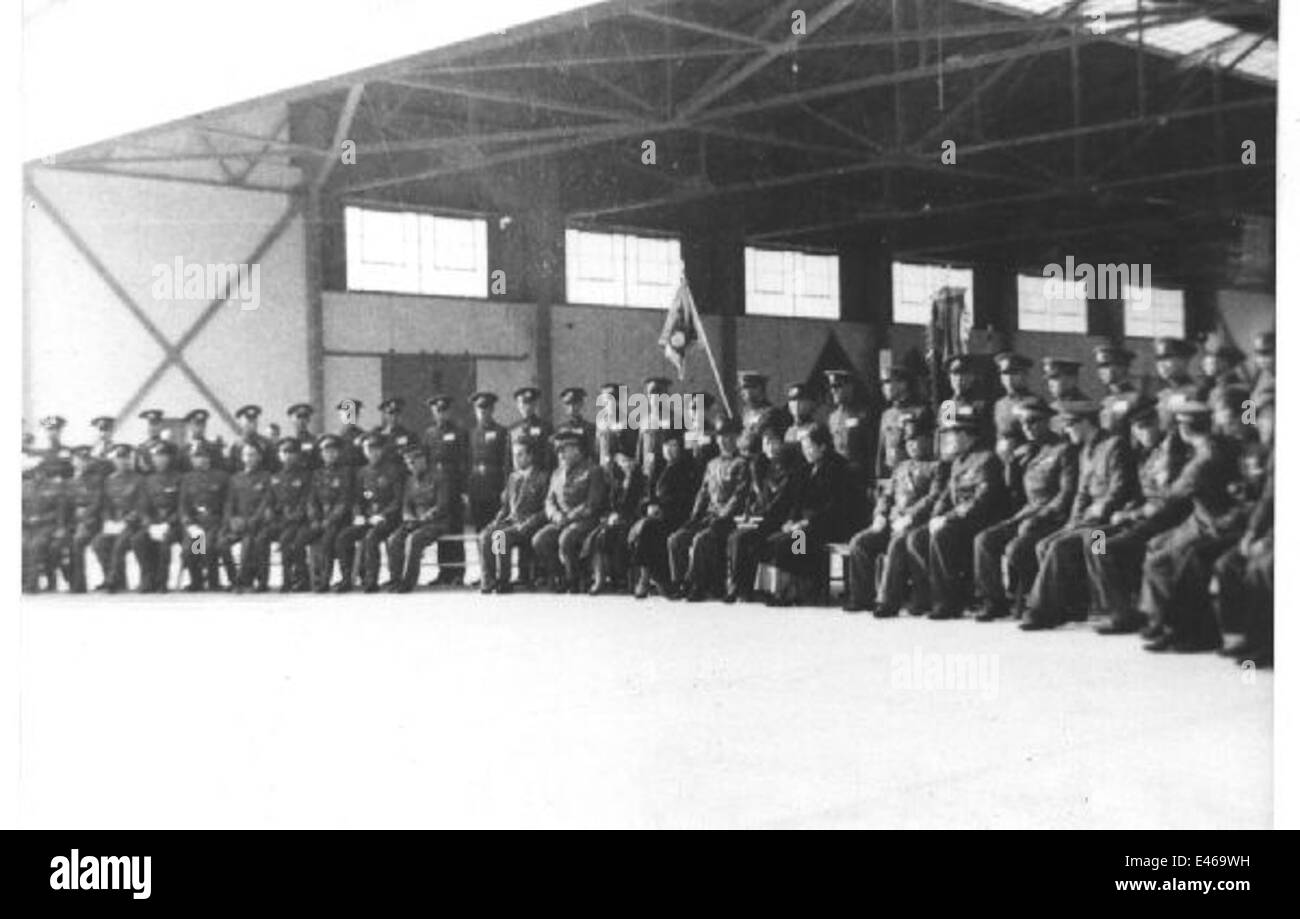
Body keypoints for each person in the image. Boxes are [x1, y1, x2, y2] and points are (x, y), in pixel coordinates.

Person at [1139, 399, 1245, 653]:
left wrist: (1167, 468)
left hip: (1214, 525)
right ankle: (1163, 621)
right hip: (1204, 519)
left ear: (1184, 430)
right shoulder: (1217, 445)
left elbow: (1173, 495)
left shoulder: (1203, 459)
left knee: (1164, 559)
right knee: (1157, 547)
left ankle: (1182, 628)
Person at [1021, 400, 1135, 630]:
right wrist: (1072, 523)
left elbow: (1120, 489)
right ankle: (1065, 608)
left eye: (1070, 425)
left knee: (1096, 544)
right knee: (1047, 544)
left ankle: (1115, 611)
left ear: (1085, 423)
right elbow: (1081, 494)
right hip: (1090, 521)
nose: (1066, 431)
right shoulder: (1086, 451)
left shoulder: (1114, 445)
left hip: (1115, 519)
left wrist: (1099, 509)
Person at [1085, 396, 1192, 634]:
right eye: (1136, 428)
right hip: (1145, 518)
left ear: (1158, 423)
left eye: (1146, 426)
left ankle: (1124, 615)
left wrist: (1130, 515)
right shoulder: (1147, 454)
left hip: (1164, 520)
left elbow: (1167, 500)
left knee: (1107, 547)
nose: (1141, 433)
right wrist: (1127, 511)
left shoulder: (1170, 452)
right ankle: (1115, 608)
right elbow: (1141, 492)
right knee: (1096, 539)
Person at [971, 398, 1076, 621]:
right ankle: (994, 601)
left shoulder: (1064, 450)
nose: (1028, 427)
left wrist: (1042, 515)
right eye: (1024, 423)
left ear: (1048, 421)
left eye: (1034, 421)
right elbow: (1018, 494)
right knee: (985, 539)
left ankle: (1035, 600)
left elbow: (1066, 494)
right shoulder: (1029, 453)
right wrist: (1012, 464)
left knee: (1018, 548)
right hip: (1029, 514)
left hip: (1054, 518)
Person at [908, 408, 1007, 619]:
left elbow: (982, 500)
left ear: (965, 434)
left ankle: (950, 602)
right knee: (917, 537)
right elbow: (946, 495)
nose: (948, 439)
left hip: (978, 520)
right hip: (958, 521)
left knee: (943, 534)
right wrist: (936, 515)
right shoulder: (958, 462)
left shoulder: (986, 459)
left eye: (951, 434)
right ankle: (934, 595)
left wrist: (947, 518)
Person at [843, 410, 942, 615]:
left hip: (916, 524)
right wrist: (879, 514)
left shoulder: (937, 467)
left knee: (898, 543)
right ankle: (861, 597)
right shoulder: (901, 467)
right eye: (908, 441)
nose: (912, 445)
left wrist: (909, 517)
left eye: (917, 440)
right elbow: (886, 496)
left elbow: (933, 498)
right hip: (892, 522)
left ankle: (887, 601)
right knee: (860, 542)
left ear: (929, 440)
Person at [764, 424, 852, 606]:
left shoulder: (838, 467)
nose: (806, 452)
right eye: (804, 448)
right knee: (776, 539)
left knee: (794, 541)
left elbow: (835, 506)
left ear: (822, 446)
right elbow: (797, 501)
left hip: (829, 524)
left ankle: (799, 590)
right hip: (805, 525)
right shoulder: (806, 469)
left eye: (810, 447)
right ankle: (780, 588)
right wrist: (791, 520)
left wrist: (806, 522)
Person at [667, 416, 749, 601]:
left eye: (729, 436)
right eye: (721, 436)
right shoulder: (712, 464)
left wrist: (723, 515)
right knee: (676, 539)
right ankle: (680, 583)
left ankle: (696, 585)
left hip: (728, 520)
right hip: (708, 517)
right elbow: (703, 493)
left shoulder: (742, 464)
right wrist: (694, 516)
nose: (724, 440)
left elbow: (739, 495)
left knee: (701, 539)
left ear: (737, 438)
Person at [727, 427, 806, 604]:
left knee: (793, 541)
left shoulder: (795, 471)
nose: (770, 447)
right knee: (736, 537)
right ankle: (740, 587)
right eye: (766, 443)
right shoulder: (766, 468)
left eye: (774, 442)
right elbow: (761, 501)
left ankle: (786, 591)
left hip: (794, 524)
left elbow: (784, 504)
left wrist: (797, 522)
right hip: (775, 520)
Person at [532, 430, 606, 593]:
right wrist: (556, 516)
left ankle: (574, 579)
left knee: (567, 538)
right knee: (540, 540)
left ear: (577, 450)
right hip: (560, 521)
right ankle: (559, 575)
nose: (560, 454)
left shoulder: (593, 470)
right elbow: (549, 501)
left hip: (584, 521)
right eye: (558, 450)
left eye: (564, 450)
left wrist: (569, 518)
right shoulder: (557, 473)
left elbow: (592, 504)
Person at [628, 431, 696, 599]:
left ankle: (647, 579)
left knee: (649, 527)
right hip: (656, 515)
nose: (670, 450)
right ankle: (651, 578)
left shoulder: (687, 468)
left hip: (677, 515)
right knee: (647, 526)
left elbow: (685, 498)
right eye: (666, 446)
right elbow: (648, 494)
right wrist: (650, 506)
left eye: (674, 446)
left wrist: (661, 508)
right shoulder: (657, 468)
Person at [333, 433, 404, 593]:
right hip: (368, 517)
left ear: (382, 450)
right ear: (364, 451)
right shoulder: (362, 472)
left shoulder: (392, 470)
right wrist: (358, 515)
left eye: (377, 449)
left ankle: (371, 581)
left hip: (388, 519)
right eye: (369, 449)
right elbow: (358, 499)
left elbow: (398, 500)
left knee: (371, 537)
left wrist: (383, 515)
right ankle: (347, 579)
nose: (373, 453)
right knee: (343, 537)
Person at [478, 442, 550, 594]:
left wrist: (529, 523)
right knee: (485, 535)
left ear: (530, 456)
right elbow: (505, 506)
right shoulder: (513, 477)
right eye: (514, 455)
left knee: (501, 536)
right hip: (511, 522)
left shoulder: (542, 477)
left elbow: (546, 509)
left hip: (530, 525)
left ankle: (503, 580)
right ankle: (488, 580)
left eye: (520, 455)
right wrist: (497, 520)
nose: (516, 459)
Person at [386, 444, 459, 593]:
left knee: (414, 539)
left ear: (422, 460)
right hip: (415, 522)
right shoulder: (409, 480)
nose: (410, 466)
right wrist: (409, 518)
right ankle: (395, 580)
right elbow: (406, 505)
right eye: (407, 463)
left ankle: (407, 582)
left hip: (437, 522)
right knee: (394, 539)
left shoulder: (439, 477)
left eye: (412, 462)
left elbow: (442, 506)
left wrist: (423, 520)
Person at [584, 444, 643, 595]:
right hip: (614, 520)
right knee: (598, 537)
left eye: (630, 462)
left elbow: (642, 503)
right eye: (623, 462)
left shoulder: (642, 479)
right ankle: (599, 578)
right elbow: (609, 504)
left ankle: (621, 577)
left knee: (622, 537)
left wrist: (626, 516)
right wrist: (611, 516)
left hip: (633, 519)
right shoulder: (616, 481)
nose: (627, 465)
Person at [259, 438, 315, 593]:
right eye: (284, 452)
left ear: (298, 455)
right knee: (261, 538)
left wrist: (297, 515)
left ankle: (293, 579)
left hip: (299, 522)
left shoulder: (306, 476)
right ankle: (262, 580)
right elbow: (269, 501)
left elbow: (307, 500)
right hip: (280, 521)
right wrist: (269, 513)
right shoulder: (275, 477)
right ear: (279, 455)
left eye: (291, 452)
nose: (288, 456)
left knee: (290, 541)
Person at [423, 394, 467, 586]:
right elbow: (425, 461)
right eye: (437, 410)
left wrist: (464, 488)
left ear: (450, 411)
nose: (441, 414)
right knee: (440, 529)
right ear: (433, 412)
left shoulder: (459, 432)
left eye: (444, 410)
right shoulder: (429, 433)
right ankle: (444, 572)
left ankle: (458, 572)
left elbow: (465, 460)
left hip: (454, 484)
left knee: (456, 528)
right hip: (437, 487)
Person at [219, 442, 274, 592]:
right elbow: (229, 503)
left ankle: (243, 581)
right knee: (217, 544)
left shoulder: (266, 477)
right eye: (246, 455)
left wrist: (252, 520)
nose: (249, 458)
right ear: (241, 458)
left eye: (252, 455)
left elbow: (266, 502)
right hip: (203, 528)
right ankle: (226, 579)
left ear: (259, 457)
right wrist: (230, 521)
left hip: (256, 523)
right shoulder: (235, 478)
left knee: (249, 542)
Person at [92, 444, 146, 592]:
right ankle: (114, 579)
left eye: (126, 458)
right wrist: (109, 521)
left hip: (134, 524)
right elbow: (106, 505)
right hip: (116, 523)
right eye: (119, 459)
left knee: (195, 547)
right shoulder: (109, 480)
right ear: (114, 461)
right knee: (98, 543)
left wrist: (127, 521)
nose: (123, 462)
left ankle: (200, 578)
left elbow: (141, 506)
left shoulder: (139, 479)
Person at [134, 441, 185, 593]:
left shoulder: (179, 478)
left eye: (163, 456)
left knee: (194, 548)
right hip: (154, 525)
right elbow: (143, 507)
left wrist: (168, 523)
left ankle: (162, 581)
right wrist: (150, 525)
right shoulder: (148, 480)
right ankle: (147, 578)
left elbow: (182, 506)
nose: (160, 459)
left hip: (177, 526)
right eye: (156, 456)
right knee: (138, 539)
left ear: (169, 458)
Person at [178, 440, 229, 591]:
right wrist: (189, 524)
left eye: (201, 456)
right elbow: (183, 505)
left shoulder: (221, 477)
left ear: (209, 458)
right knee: (191, 550)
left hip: (215, 522)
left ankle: (214, 582)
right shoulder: (187, 479)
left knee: (209, 546)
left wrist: (224, 523)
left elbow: (227, 503)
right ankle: (197, 581)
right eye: (194, 456)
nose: (198, 459)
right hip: (197, 523)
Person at [308, 434, 355, 592]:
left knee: (329, 539)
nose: (330, 454)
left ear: (339, 453)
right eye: (326, 451)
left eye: (333, 451)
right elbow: (312, 500)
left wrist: (331, 519)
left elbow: (344, 499)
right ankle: (310, 578)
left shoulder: (345, 473)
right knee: (309, 538)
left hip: (341, 518)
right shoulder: (317, 474)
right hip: (321, 518)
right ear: (321, 454)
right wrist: (314, 518)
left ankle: (329, 580)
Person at [61, 445, 104, 594]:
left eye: (86, 460)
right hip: (72, 524)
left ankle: (79, 585)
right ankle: (71, 580)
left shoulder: (96, 481)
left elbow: (97, 503)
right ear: (73, 461)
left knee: (78, 542)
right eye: (79, 459)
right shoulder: (69, 483)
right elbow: (64, 507)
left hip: (92, 524)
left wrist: (84, 522)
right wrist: (62, 526)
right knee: (59, 545)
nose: (82, 463)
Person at [22, 456, 66, 592]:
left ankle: (32, 584)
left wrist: (41, 519)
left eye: (41, 471)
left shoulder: (55, 487)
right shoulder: (24, 487)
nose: (38, 474)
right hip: (27, 525)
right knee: (22, 545)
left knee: (36, 546)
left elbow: (59, 511)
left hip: (47, 526)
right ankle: (23, 581)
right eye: (35, 471)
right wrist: (25, 519)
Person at [467, 392, 509, 530]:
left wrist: (506, 487)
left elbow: (507, 462)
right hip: (477, 486)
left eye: (486, 408)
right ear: (475, 410)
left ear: (492, 410)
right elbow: (467, 461)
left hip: (496, 485)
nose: (483, 412)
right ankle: (482, 552)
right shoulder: (471, 434)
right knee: (480, 527)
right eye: (480, 409)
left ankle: (500, 552)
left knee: (498, 526)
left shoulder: (501, 432)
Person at [875, 366, 923, 479]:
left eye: (888, 382)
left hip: (909, 476)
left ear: (903, 384)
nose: (884, 388)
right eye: (883, 383)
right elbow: (881, 450)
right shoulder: (887, 414)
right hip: (890, 474)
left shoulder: (919, 411)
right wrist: (879, 475)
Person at [992, 351, 1035, 464]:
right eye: (1005, 373)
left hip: (1024, 461)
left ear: (1025, 375)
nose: (1009, 378)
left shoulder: (1034, 402)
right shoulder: (1000, 404)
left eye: (1014, 373)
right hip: (1001, 461)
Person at [1152, 338, 1199, 431]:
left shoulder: (1195, 393)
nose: (1161, 365)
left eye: (1167, 358)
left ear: (1184, 361)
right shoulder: (1163, 394)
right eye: (1158, 359)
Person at [1094, 345, 1140, 439]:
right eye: (1099, 366)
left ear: (1122, 367)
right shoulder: (1106, 401)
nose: (1101, 371)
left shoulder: (1136, 399)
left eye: (1105, 365)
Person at [736, 371, 791, 443]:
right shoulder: (744, 413)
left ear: (762, 389)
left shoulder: (773, 414)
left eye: (753, 387)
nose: (748, 392)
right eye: (745, 388)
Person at [509, 386, 553, 471]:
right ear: (518, 405)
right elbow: (508, 457)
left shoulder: (545, 426)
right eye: (523, 403)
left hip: (539, 474)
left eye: (530, 403)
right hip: (518, 475)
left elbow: (550, 455)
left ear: (535, 404)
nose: (527, 406)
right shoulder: (512, 429)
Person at [177, 408, 223, 473]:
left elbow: (218, 470)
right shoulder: (183, 450)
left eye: (203, 425)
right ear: (189, 426)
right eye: (196, 425)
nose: (200, 428)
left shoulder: (213, 448)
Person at [556, 387, 598, 458]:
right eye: (568, 404)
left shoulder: (590, 428)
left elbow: (593, 452)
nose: (571, 407)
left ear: (581, 404)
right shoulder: (559, 429)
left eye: (575, 404)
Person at [286, 403, 320, 470]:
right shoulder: (286, 441)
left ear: (309, 420)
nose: (302, 421)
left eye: (305, 417)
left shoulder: (315, 440)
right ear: (292, 419)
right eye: (298, 417)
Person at [335, 398, 368, 467]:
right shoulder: (336, 436)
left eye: (354, 414)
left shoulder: (363, 436)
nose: (350, 417)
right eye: (347, 414)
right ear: (341, 415)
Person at [134, 409, 167, 475]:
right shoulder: (141, 448)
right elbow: (137, 470)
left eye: (155, 424)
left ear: (161, 426)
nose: (152, 428)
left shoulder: (170, 447)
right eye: (150, 424)